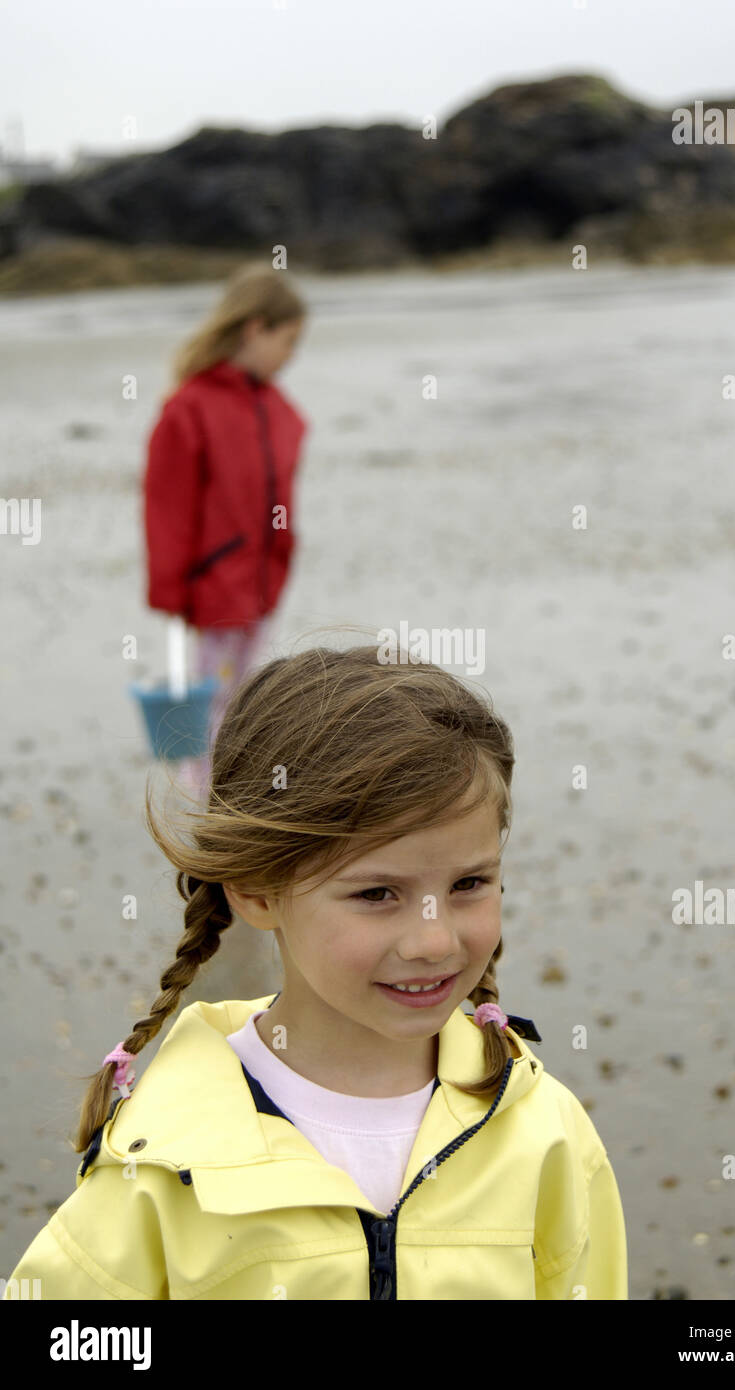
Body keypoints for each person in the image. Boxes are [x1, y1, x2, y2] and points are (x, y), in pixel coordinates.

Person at [3, 643, 627, 1300]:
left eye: (469, 882)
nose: (433, 940)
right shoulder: (160, 1160)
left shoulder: (543, 1133)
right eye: (377, 894)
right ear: (256, 890)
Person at [141, 261, 308, 797]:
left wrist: (283, 556)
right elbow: (167, 505)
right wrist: (170, 588)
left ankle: (244, 793)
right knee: (211, 701)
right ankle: (209, 806)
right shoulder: (190, 408)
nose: (290, 357)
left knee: (254, 696)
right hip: (212, 582)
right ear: (254, 328)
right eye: (288, 341)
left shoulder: (276, 408)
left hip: (262, 579)